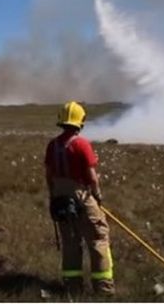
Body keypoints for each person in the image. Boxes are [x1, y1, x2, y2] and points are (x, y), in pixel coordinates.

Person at [44, 101, 114, 296]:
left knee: (71, 242)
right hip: (81, 196)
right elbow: (92, 177)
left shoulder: (53, 145)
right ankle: (103, 289)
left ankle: (72, 287)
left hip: (60, 197)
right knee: (98, 238)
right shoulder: (82, 144)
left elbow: (49, 175)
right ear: (80, 122)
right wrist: (97, 197)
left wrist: (53, 195)